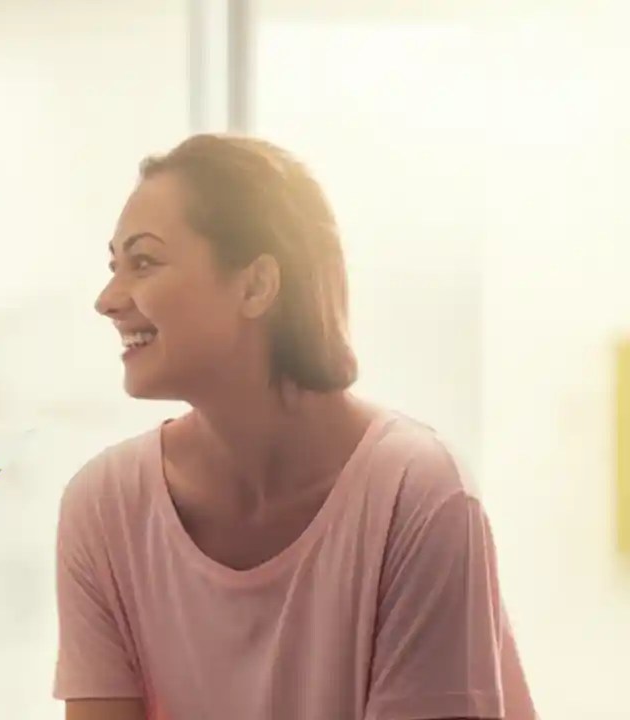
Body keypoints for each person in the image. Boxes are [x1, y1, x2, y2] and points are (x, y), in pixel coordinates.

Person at [52, 134, 535, 719]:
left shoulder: (418, 494)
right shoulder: (104, 506)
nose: (107, 299)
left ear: (256, 285)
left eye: (144, 262)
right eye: (115, 267)